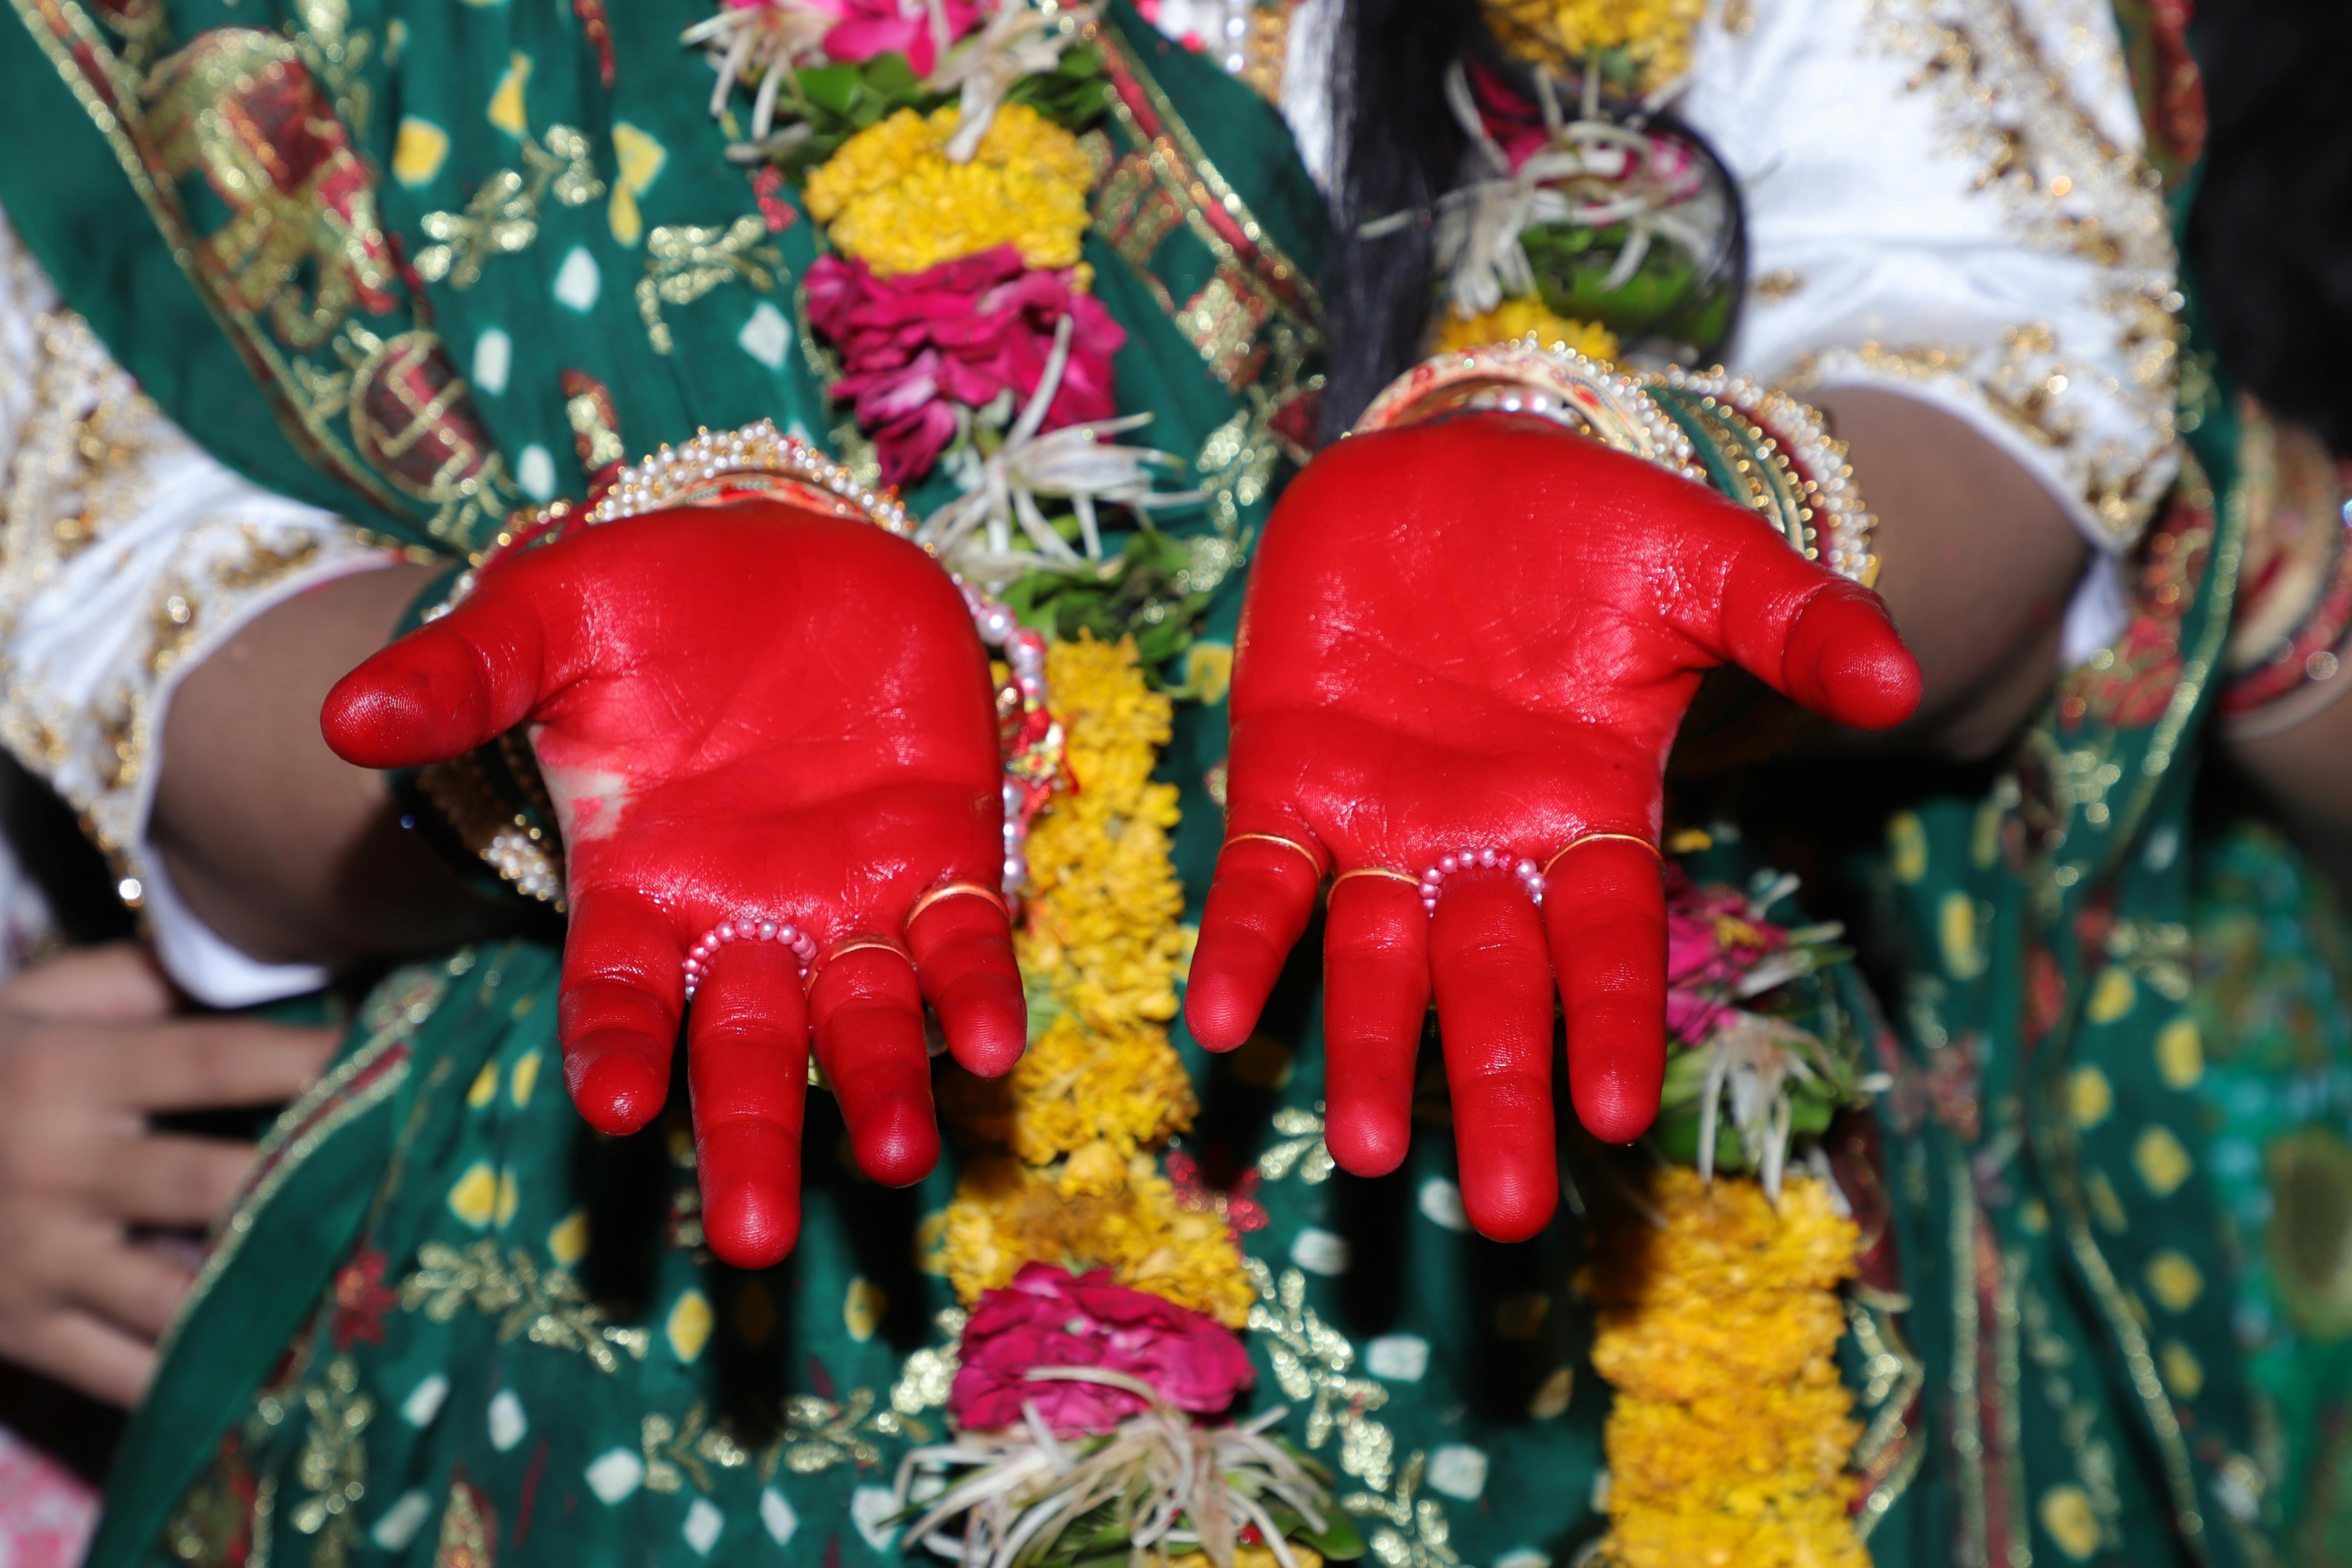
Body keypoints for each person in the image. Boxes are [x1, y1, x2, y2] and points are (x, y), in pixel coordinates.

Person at [0, 0, 2345, 1564]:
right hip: (625, 1352)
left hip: (1612, 1234)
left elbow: (1998, 343)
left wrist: (1672, 535)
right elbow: (144, 587)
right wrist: (543, 753)